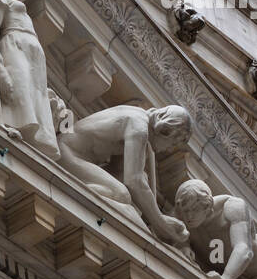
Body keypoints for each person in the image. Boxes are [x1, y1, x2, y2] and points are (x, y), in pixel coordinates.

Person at [53, 102, 191, 246]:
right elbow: (134, 182)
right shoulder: (139, 128)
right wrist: (161, 222)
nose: (169, 149)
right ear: (165, 129)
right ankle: (71, 196)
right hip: (68, 154)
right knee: (121, 195)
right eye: (173, 143)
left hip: (77, 156)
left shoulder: (138, 116)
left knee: (132, 194)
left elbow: (123, 172)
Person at [0, 0, 58, 158]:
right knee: (20, 85)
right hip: (14, 44)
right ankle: (14, 125)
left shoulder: (15, 3)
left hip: (32, 52)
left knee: (36, 92)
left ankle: (36, 138)